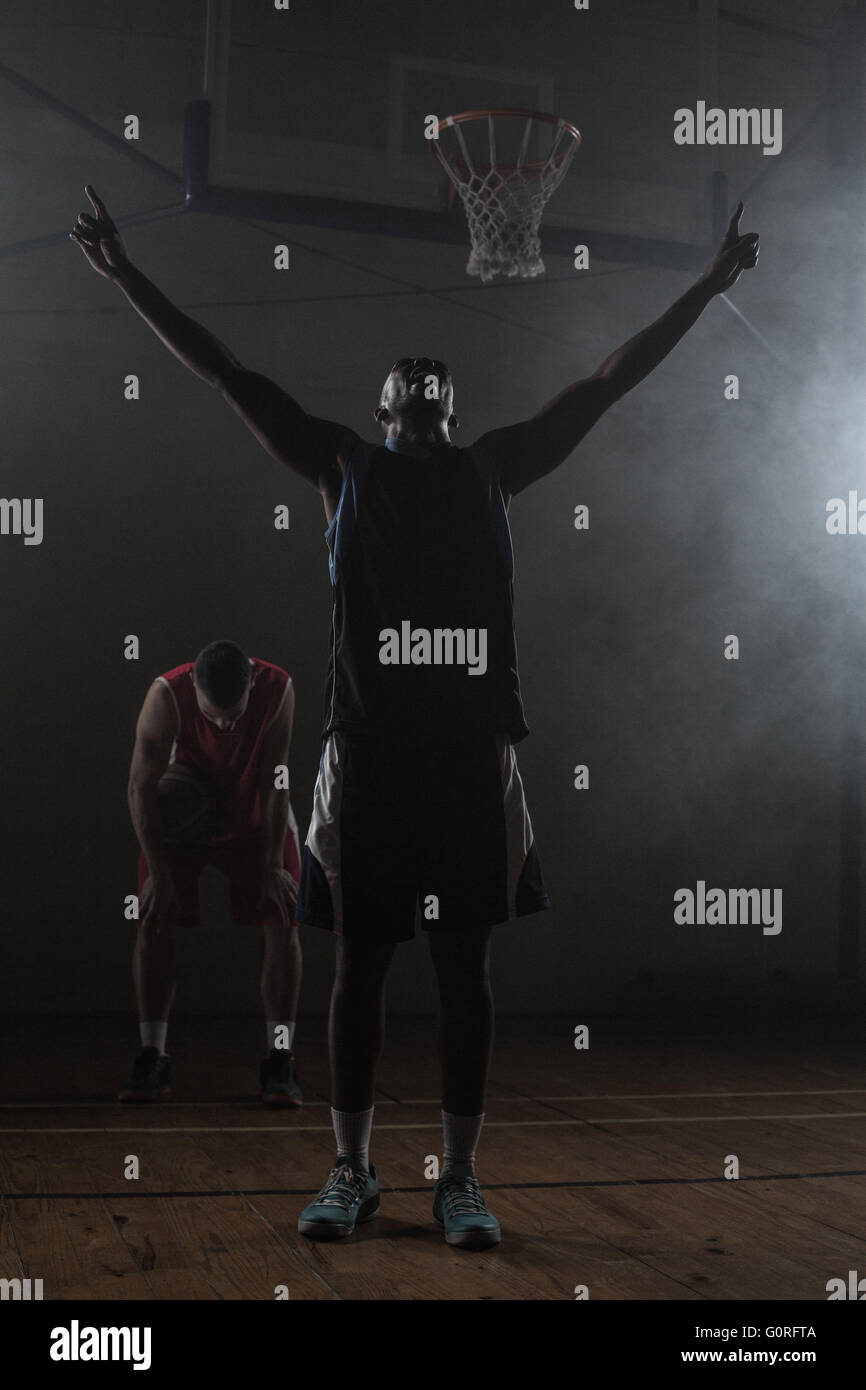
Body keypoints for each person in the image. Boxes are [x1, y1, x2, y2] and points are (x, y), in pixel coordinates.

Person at [72, 188, 758, 1247]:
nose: (426, 382)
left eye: (440, 381)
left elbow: (606, 383)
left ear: (450, 402)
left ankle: (461, 1178)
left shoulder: (494, 466)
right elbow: (224, 371)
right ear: (386, 402)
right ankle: (349, 1168)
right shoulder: (341, 465)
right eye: (411, 381)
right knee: (358, 966)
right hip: (371, 755)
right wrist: (126, 279)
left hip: (469, 757)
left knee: (463, 971)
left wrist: (703, 290)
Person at [122, 639, 303, 1108]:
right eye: (213, 715)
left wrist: (271, 865)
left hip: (254, 813)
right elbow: (140, 788)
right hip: (184, 821)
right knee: (152, 917)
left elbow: (275, 776)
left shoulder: (278, 688)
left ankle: (280, 1058)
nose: (224, 724)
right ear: (195, 690)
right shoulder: (166, 696)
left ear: (249, 685)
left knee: (283, 918)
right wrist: (159, 873)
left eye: (234, 714)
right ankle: (152, 1054)